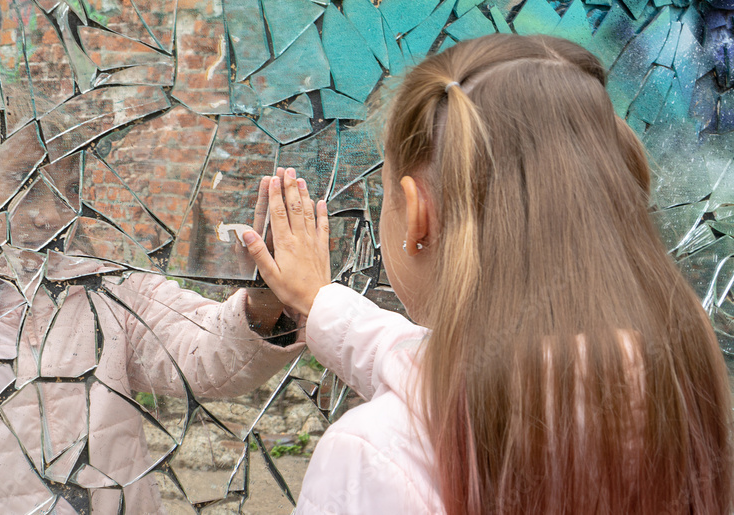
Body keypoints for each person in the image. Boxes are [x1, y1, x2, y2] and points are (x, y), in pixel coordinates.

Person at [242, 34, 734, 514]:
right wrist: (322, 302)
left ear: (418, 215)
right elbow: (456, 373)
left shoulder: (375, 457)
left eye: (385, 193)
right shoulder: (683, 383)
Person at [0, 178, 304, 515]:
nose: (49, 212)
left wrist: (263, 300)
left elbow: (208, 359)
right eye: (28, 187)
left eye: (64, 187)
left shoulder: (112, 296)